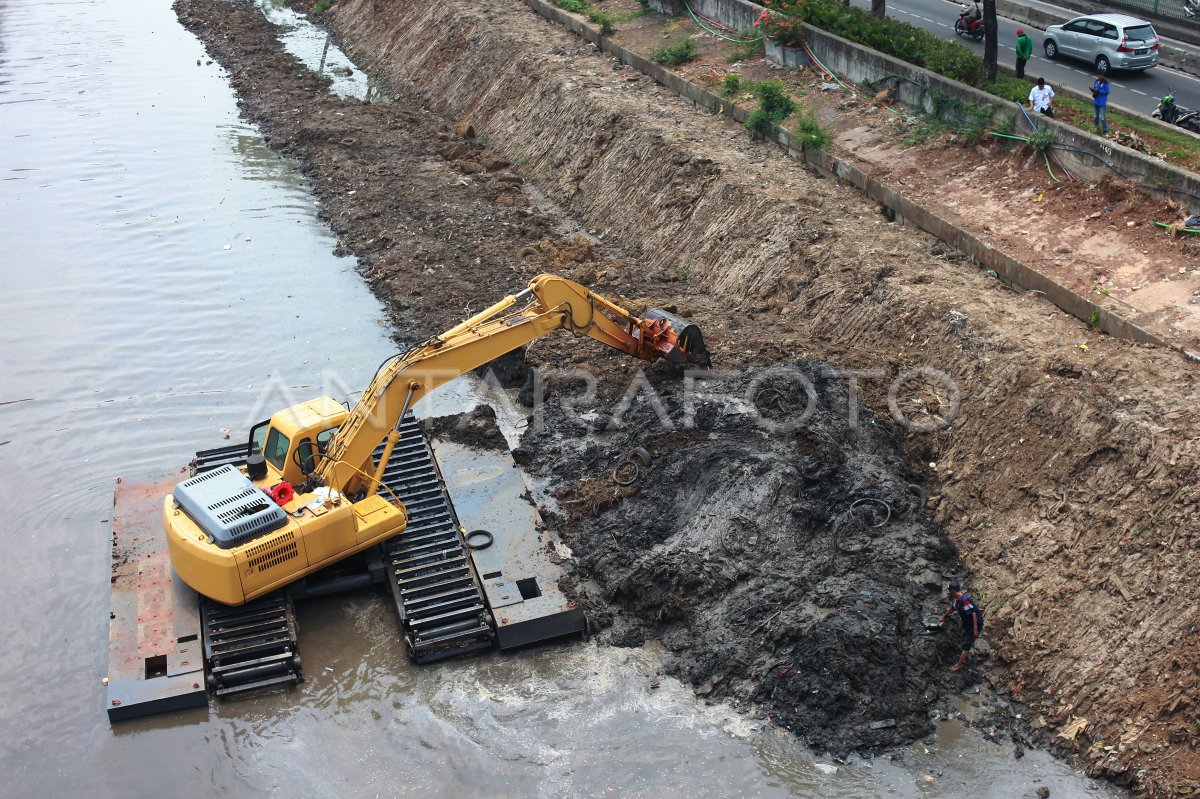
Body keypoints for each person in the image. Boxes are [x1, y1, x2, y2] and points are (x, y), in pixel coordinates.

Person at [939, 580, 984, 672]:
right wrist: (944, 616)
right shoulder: (958, 601)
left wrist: (975, 629)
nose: (949, 593)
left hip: (974, 623)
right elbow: (952, 609)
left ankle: (959, 664)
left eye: (949, 591)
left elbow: (974, 614)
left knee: (967, 643)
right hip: (968, 623)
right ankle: (964, 655)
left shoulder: (965, 600)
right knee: (964, 635)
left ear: (953, 591)